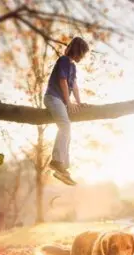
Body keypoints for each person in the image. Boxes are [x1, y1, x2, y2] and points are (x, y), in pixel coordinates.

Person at [44, 37, 90, 186]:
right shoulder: (63, 60)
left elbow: (74, 85)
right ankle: (56, 161)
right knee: (65, 126)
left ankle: (62, 168)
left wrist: (78, 101)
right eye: (82, 53)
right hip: (53, 98)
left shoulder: (73, 67)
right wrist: (68, 102)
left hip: (60, 101)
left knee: (68, 129)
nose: (82, 57)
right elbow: (62, 81)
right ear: (77, 51)